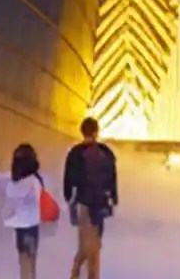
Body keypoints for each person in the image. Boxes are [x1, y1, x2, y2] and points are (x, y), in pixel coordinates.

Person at [63, 117, 117, 279]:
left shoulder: (75, 153)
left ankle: (76, 270)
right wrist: (113, 197)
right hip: (100, 203)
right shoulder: (105, 152)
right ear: (96, 131)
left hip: (83, 202)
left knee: (86, 243)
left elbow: (68, 178)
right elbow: (112, 177)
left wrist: (68, 197)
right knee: (95, 244)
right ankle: (90, 274)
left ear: (82, 132)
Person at [4, 143, 44, 279]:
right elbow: (40, 200)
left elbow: (10, 204)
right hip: (32, 225)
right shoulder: (35, 181)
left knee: (24, 261)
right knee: (32, 262)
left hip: (20, 227)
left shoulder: (13, 183)